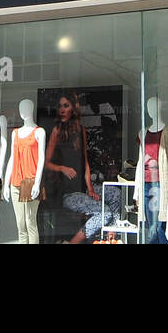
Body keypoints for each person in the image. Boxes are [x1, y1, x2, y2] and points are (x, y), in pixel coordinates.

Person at [44, 91, 111, 244]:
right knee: (104, 213)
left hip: (83, 188)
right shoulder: (57, 131)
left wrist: (91, 189)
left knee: (115, 195)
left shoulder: (81, 130)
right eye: (60, 106)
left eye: (66, 106)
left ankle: (110, 238)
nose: (62, 110)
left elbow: (85, 161)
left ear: (73, 109)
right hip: (68, 193)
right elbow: (46, 163)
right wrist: (62, 168)